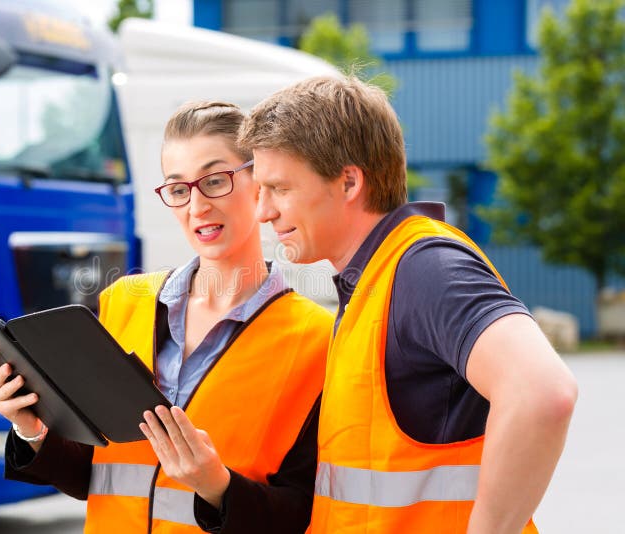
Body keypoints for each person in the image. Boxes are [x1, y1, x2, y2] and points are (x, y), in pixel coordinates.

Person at [238, 75, 578, 534]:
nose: (263, 211)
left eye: (279, 188)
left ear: (349, 182)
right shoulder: (375, 279)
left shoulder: (424, 269)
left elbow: (543, 392)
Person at [0, 101, 333, 533]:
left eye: (215, 181)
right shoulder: (123, 303)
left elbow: (303, 513)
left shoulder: (317, 340)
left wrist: (217, 486)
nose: (196, 206)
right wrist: (31, 427)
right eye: (179, 189)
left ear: (258, 183)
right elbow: (93, 474)